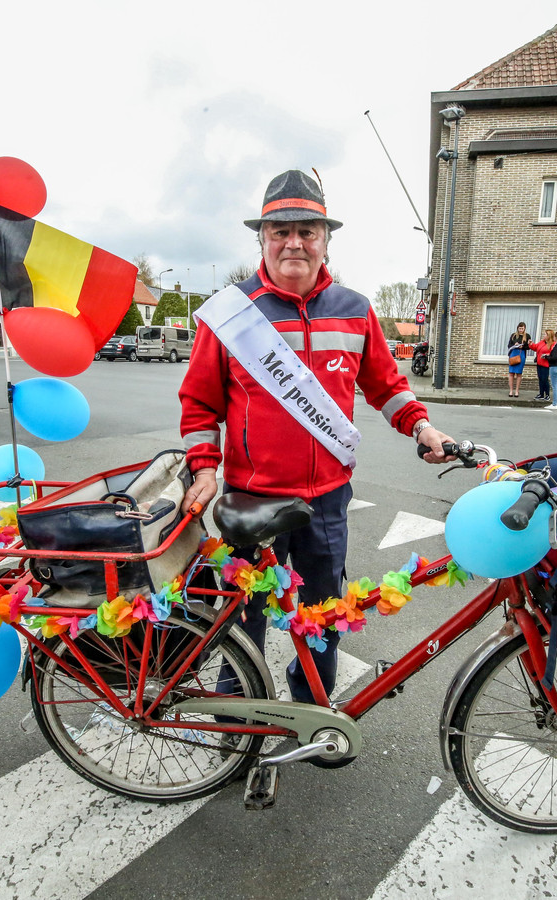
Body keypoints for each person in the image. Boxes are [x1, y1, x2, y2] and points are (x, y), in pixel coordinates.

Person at [179, 169, 455, 704]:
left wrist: (420, 425)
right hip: (251, 497)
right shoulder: (230, 315)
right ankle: (237, 711)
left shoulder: (355, 310)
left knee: (323, 608)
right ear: (262, 237)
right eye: (280, 231)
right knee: (245, 610)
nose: (294, 242)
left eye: (308, 230)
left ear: (326, 239)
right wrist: (204, 467)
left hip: (327, 497)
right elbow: (199, 402)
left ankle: (313, 705)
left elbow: (386, 385)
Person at [506, 322, 530, 398]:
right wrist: (514, 345)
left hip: (521, 354)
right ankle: (511, 390)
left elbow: (529, 347)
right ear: (517, 328)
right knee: (511, 373)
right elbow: (509, 345)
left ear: (524, 328)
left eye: (522, 328)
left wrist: (522, 347)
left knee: (519, 373)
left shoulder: (527, 336)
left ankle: (517, 391)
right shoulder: (513, 335)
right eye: (519, 328)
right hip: (513, 354)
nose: (520, 330)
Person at [531, 329, 555, 401]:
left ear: (549, 336)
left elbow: (553, 353)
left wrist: (546, 355)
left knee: (545, 379)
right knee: (540, 379)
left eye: (545, 334)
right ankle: (541, 394)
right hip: (539, 363)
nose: (544, 336)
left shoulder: (552, 344)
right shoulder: (542, 342)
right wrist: (531, 344)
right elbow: (536, 347)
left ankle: (547, 394)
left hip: (546, 364)